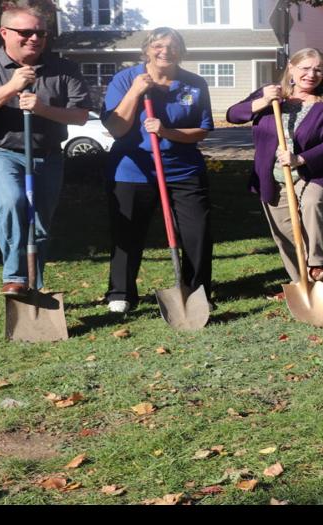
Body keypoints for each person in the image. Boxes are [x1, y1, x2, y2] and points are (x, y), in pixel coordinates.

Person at [0, 2, 97, 296]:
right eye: (26, 32)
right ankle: (14, 277)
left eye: (41, 33)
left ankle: (33, 285)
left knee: (40, 222)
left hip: (47, 154)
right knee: (12, 201)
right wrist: (10, 88)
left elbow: (80, 115)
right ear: (4, 32)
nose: (35, 38)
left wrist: (42, 108)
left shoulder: (64, 68)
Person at [100, 27, 213, 314]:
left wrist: (167, 131)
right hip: (133, 169)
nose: (165, 50)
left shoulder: (194, 84)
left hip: (183, 170)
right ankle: (121, 292)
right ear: (147, 49)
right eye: (159, 45)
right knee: (128, 233)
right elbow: (116, 128)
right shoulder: (125, 79)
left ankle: (196, 288)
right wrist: (136, 91)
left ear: (181, 51)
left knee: (197, 231)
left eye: (173, 45)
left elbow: (202, 130)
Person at [225, 48, 323, 286]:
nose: (312, 74)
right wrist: (263, 101)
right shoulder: (271, 94)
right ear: (291, 67)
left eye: (318, 70)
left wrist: (300, 159)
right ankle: (302, 283)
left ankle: (316, 264)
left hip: (312, 172)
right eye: (305, 68)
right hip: (271, 175)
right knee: (285, 234)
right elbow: (233, 115)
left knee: (313, 202)